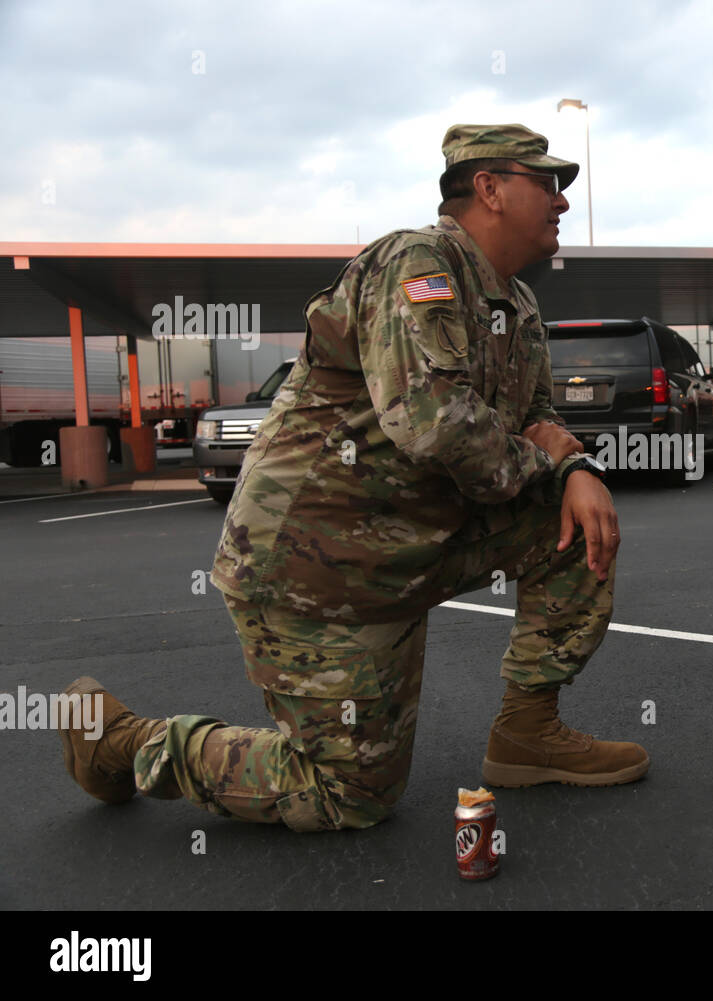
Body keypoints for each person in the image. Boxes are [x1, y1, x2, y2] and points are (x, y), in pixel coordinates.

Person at [59, 124, 649, 832]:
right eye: (546, 184)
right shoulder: (417, 264)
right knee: (348, 795)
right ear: (489, 188)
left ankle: (527, 731)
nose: (561, 202)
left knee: (571, 516)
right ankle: (121, 742)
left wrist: (576, 466)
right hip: (318, 562)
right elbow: (432, 421)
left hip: (414, 542)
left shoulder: (515, 303)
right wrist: (551, 459)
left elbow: (538, 416)